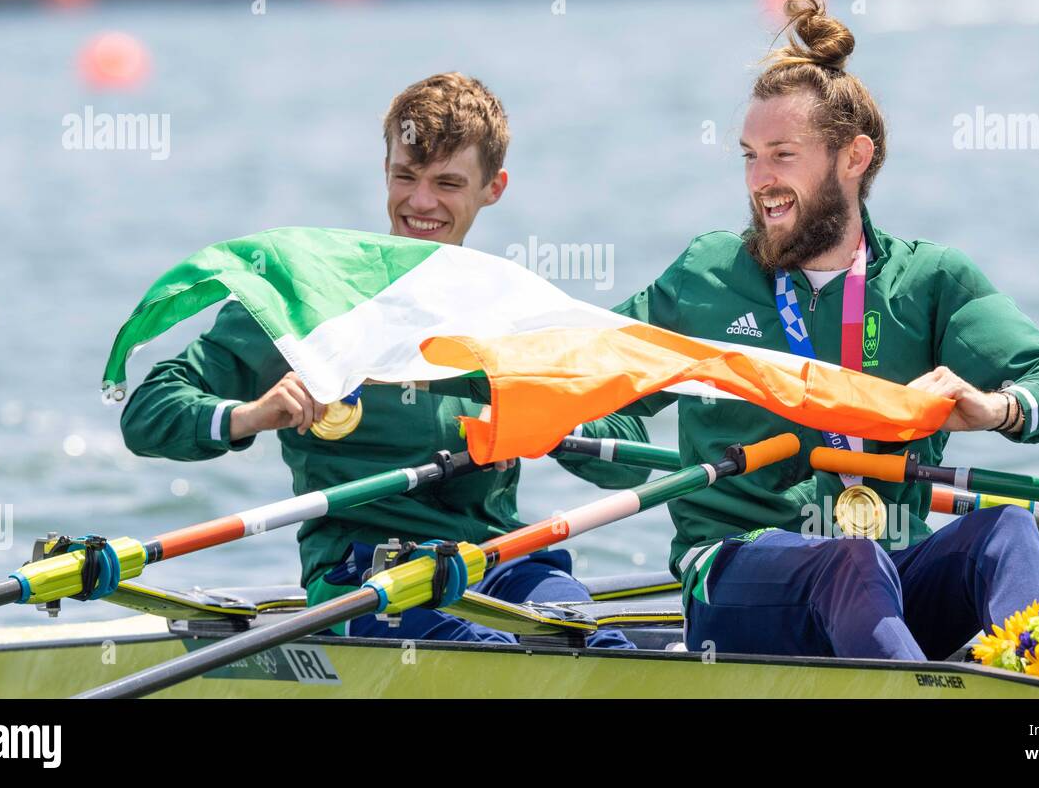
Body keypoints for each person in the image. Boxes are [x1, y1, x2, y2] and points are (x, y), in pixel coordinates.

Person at [612, 0, 1039, 661]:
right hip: (738, 580)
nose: (761, 180)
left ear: (854, 157)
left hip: (885, 572)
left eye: (783, 155)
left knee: (1009, 531)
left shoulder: (929, 280)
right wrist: (560, 421)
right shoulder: (706, 275)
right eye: (750, 156)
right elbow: (603, 392)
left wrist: (1000, 409)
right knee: (852, 563)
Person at [122, 72, 648, 647]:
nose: (421, 203)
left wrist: (542, 418)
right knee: (488, 656)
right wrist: (251, 414)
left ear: (493, 187)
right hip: (365, 575)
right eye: (406, 176)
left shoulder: (512, 310)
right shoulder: (306, 302)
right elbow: (148, 414)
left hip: (501, 560)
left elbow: (628, 456)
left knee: (592, 646)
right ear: (386, 172)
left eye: (447, 183)